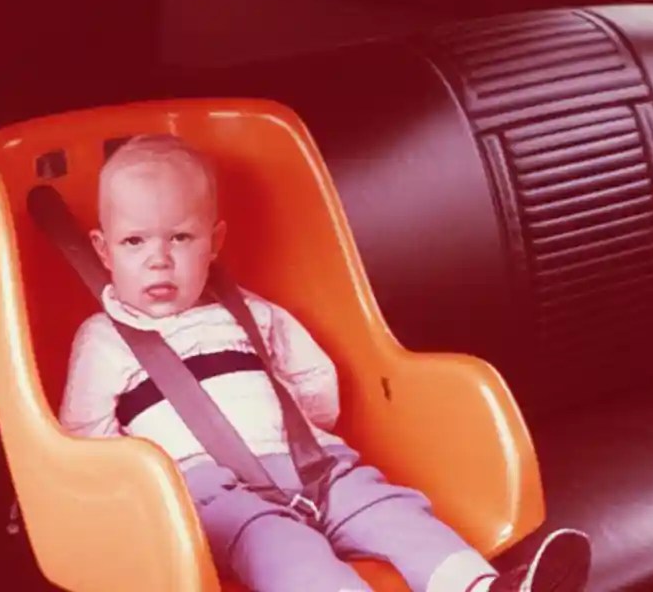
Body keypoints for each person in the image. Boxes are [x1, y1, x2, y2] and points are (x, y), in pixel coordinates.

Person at [58, 133, 590, 592]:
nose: (159, 258)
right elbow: (89, 440)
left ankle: (480, 585)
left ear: (213, 242)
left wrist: (304, 442)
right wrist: (153, 489)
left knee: (394, 510)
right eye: (135, 241)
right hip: (210, 488)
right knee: (278, 544)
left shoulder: (253, 314)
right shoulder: (105, 342)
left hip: (311, 461)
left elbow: (315, 385)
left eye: (180, 237)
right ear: (103, 251)